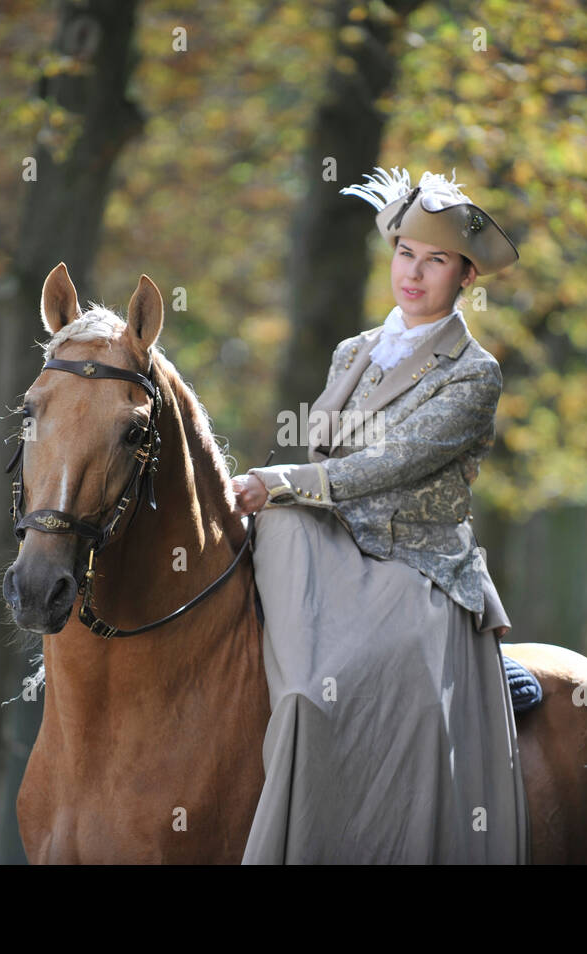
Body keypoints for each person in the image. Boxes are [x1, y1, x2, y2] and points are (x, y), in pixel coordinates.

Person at [230, 166, 529, 863]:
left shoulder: (473, 374)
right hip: (330, 543)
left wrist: (282, 480)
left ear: (466, 278)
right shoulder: (351, 352)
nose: (414, 274)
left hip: (414, 564)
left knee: (320, 695)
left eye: (436, 261)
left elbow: (390, 464)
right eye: (405, 253)